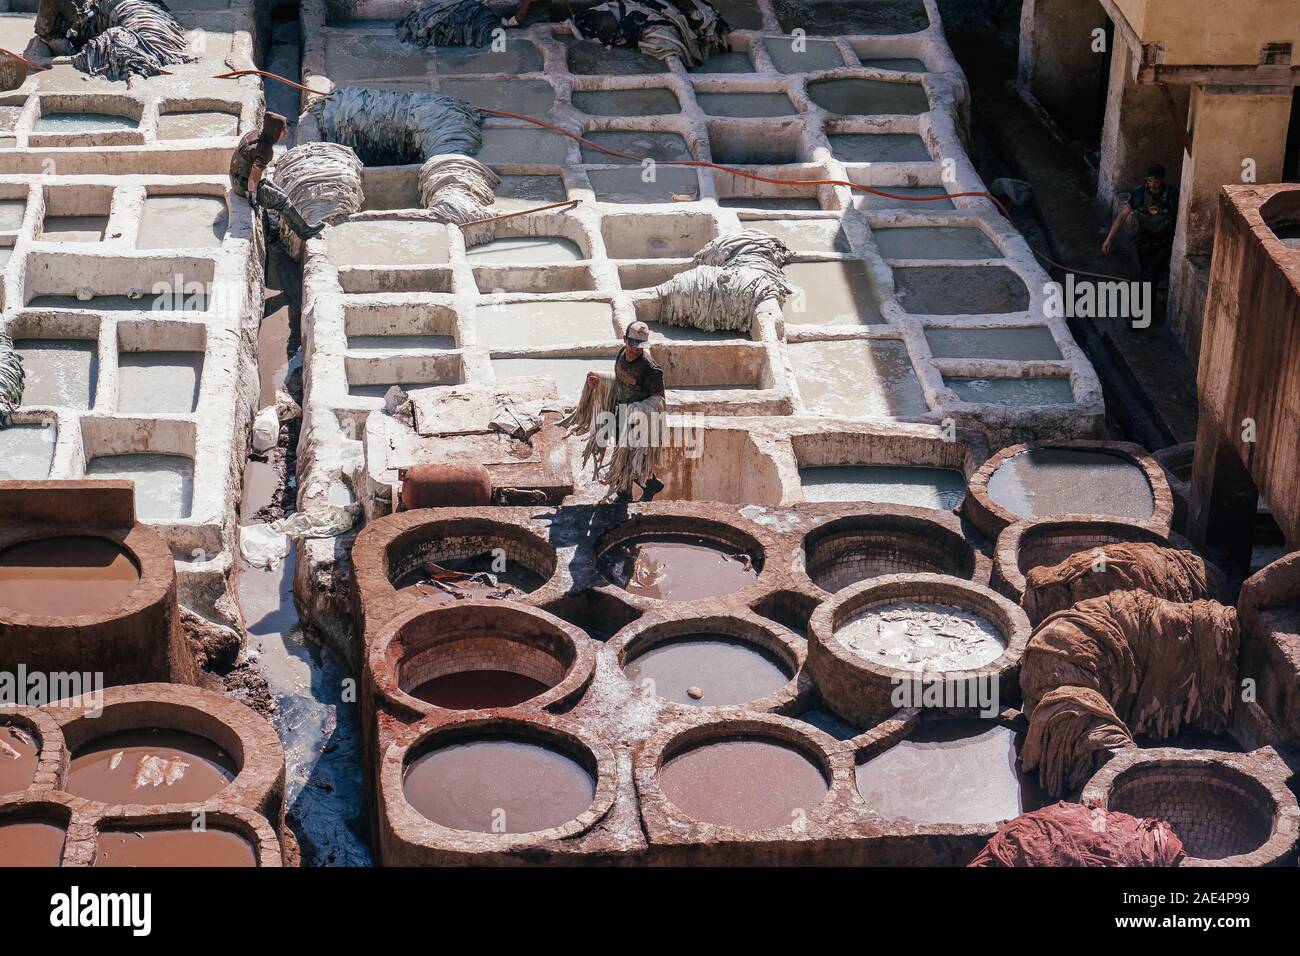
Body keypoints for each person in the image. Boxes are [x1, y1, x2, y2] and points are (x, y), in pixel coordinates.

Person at [586, 321, 666, 503]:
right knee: (623, 454)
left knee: (630, 456)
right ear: (624, 339)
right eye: (632, 343)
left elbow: (659, 399)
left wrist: (639, 408)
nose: (634, 349)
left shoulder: (651, 370)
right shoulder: (622, 354)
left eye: (639, 346)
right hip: (621, 412)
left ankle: (625, 495)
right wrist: (600, 381)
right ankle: (648, 486)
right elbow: (621, 381)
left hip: (640, 420)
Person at [229, 112, 325, 241]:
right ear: (275, 130)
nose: (285, 131)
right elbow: (253, 177)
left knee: (282, 194)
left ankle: (292, 226)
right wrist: (252, 197)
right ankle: (304, 231)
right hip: (243, 185)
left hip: (237, 177)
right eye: (283, 129)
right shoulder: (264, 150)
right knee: (282, 201)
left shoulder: (255, 134)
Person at [1102, 162, 1179, 295]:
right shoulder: (1139, 194)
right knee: (1145, 273)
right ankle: (1141, 308)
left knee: (1153, 274)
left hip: (1163, 240)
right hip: (1144, 238)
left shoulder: (1172, 195)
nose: (1152, 185)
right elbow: (1122, 216)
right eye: (1149, 181)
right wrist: (1108, 239)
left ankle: (1147, 309)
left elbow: (1179, 216)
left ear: (1162, 180)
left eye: (1156, 181)